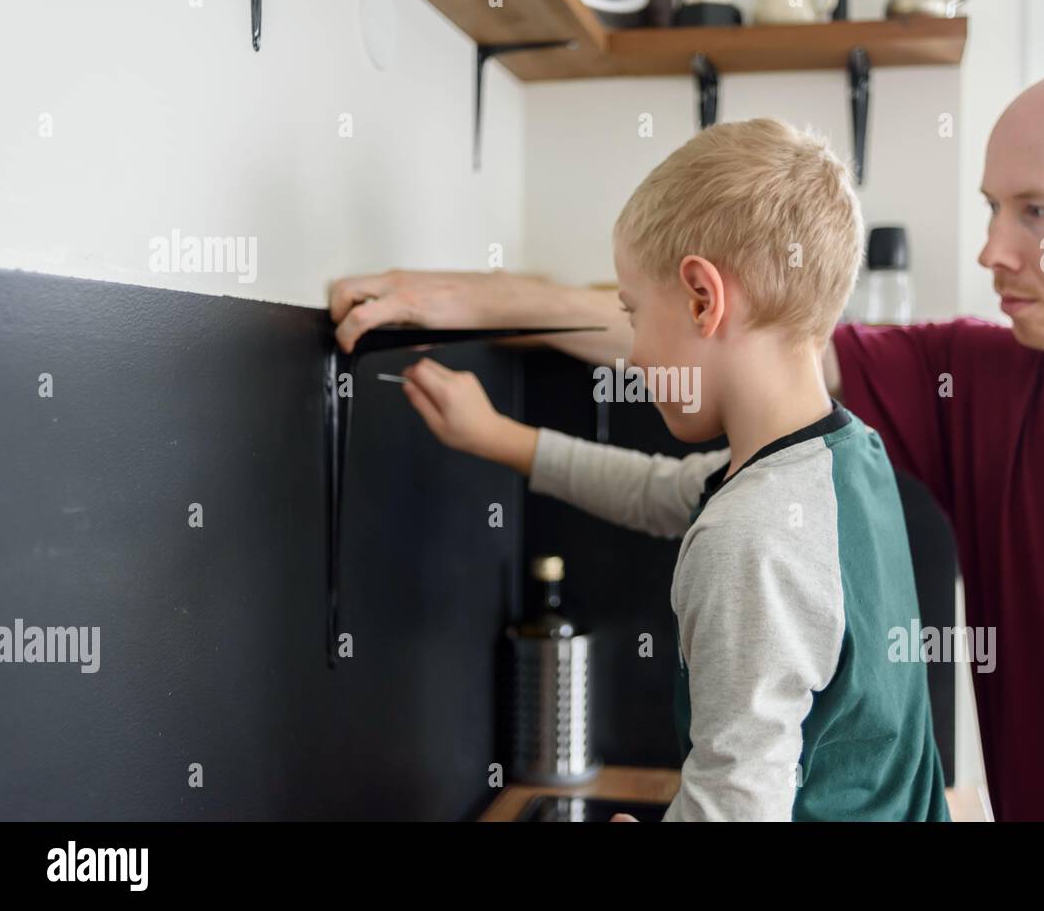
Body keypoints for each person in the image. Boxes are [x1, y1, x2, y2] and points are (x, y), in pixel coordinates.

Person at [330, 57, 1044, 821]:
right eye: (991, 207)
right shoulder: (954, 390)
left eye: (1037, 211)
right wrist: (469, 312)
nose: (990, 250)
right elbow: (712, 390)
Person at [369, 119, 949, 820]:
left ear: (704, 298)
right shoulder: (847, 460)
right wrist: (495, 435)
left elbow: (735, 807)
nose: (635, 356)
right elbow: (657, 490)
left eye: (634, 313)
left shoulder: (751, 536)